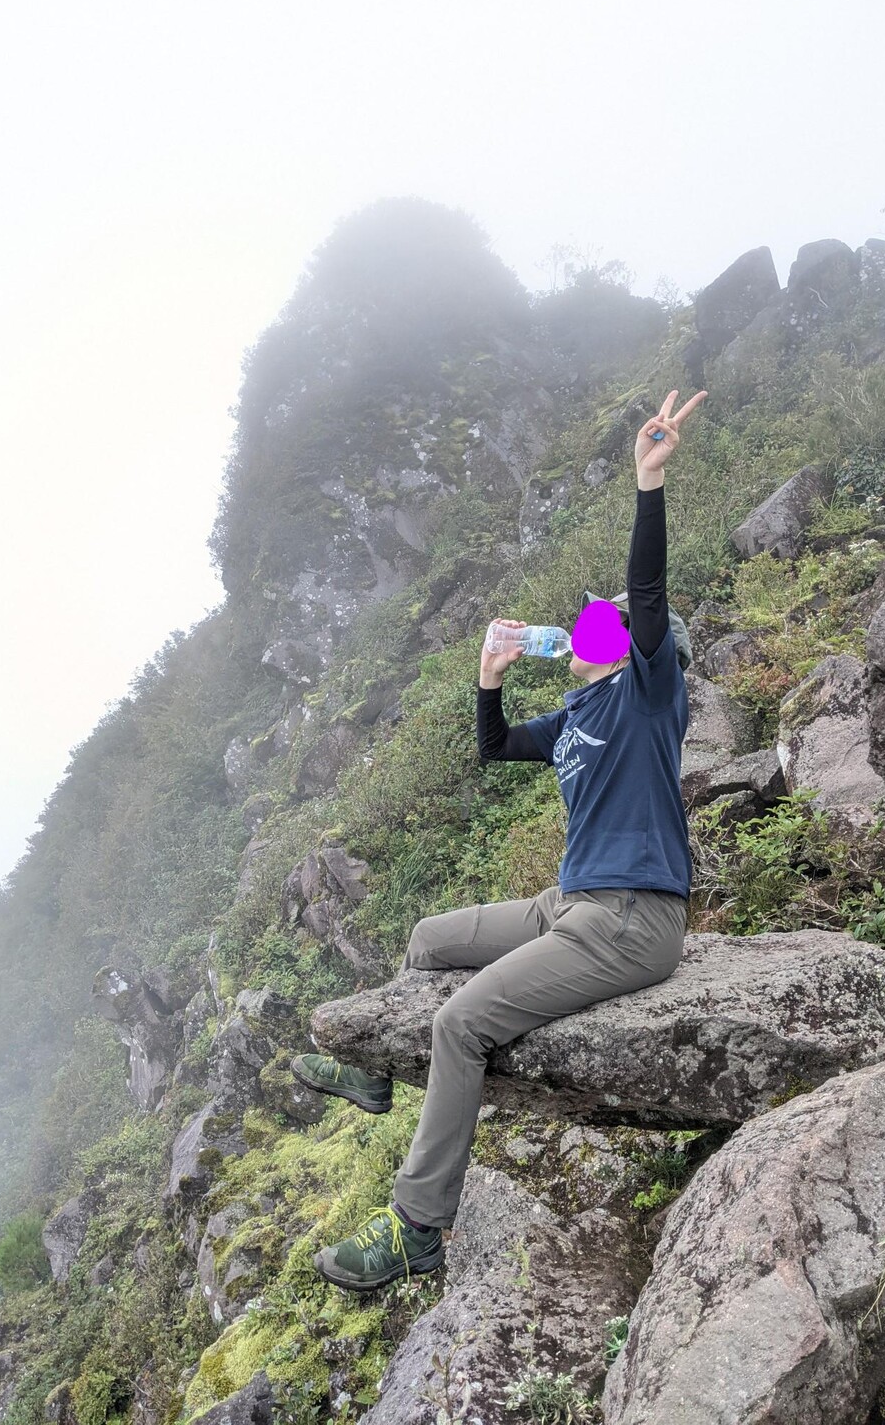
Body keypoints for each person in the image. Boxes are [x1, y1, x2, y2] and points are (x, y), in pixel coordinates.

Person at [293, 387, 708, 1292]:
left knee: (462, 1021)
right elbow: (491, 749)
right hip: (571, 902)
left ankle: (417, 1229)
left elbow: (646, 590)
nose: (598, 613)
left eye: (609, 615)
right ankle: (374, 1076)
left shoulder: (646, 692)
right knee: (430, 940)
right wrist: (488, 676)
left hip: (634, 917)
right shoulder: (572, 714)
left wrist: (647, 482)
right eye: (590, 615)